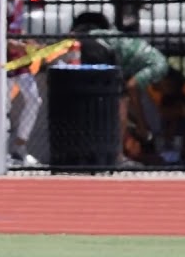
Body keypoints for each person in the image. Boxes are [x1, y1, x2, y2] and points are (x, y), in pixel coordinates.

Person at [70, 11, 169, 161]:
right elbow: (132, 87)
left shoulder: (149, 60)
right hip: (99, 46)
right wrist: (142, 124)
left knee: (109, 101)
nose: (159, 93)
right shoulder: (160, 67)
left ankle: (102, 151)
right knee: (120, 103)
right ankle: (118, 155)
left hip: (92, 42)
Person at [0, 0, 41, 165]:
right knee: (4, 106)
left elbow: (17, 29)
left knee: (34, 99)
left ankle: (20, 145)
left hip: (20, 60)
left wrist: (28, 42)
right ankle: (0, 151)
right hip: (4, 60)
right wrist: (12, 44)